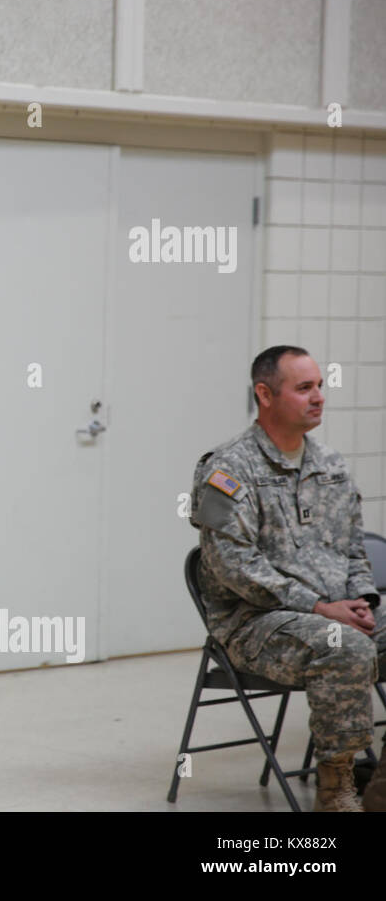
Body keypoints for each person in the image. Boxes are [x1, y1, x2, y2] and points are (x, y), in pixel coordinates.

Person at [190, 345, 386, 811]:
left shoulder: (331, 466)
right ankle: (336, 789)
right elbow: (233, 567)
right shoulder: (226, 470)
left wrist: (362, 599)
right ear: (265, 394)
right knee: (346, 645)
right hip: (256, 624)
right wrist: (320, 607)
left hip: (334, 613)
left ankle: (380, 788)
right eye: (304, 388)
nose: (318, 397)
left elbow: (354, 549)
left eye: (320, 385)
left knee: (349, 634)